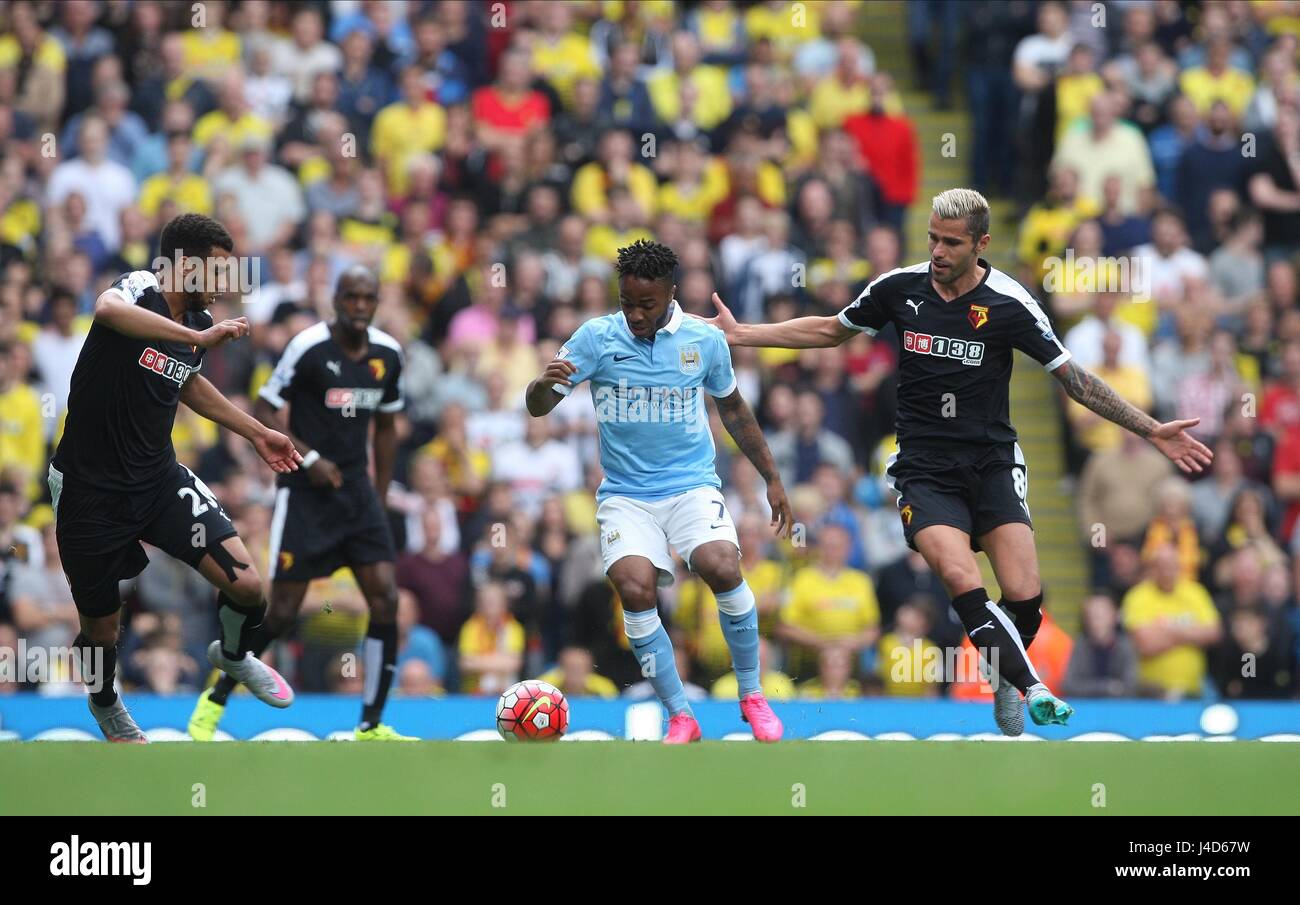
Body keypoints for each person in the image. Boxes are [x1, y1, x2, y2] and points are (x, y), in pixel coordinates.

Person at [698, 188, 1213, 735]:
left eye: (951, 242)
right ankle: (1030, 685)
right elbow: (831, 329)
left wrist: (1152, 427)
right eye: (933, 239)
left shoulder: (1010, 303)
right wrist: (742, 334)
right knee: (959, 577)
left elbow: (1075, 381)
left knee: (1026, 598)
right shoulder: (899, 288)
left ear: (981, 244)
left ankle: (1001, 674)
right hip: (923, 470)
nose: (938, 251)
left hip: (991, 463)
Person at [525, 239, 793, 744]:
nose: (636, 314)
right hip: (625, 494)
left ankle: (752, 695)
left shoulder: (703, 340)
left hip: (691, 485)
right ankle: (680, 715)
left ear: (671, 292)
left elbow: (732, 409)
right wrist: (543, 384)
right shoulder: (595, 338)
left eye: (647, 304)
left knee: (721, 565)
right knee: (633, 586)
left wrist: (771, 477)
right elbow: (538, 407)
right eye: (627, 303)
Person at [49, 213, 301, 742]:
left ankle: (232, 655)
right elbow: (105, 310)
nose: (223, 281)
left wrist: (256, 433)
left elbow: (186, 382)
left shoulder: (198, 322)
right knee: (101, 627)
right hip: (88, 490)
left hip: (157, 480)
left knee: (249, 587)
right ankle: (105, 702)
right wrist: (194, 333)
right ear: (184, 264)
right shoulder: (139, 291)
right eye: (216, 269)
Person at [190, 266, 412, 741]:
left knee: (386, 599)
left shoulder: (388, 355)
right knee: (284, 611)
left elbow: (389, 426)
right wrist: (308, 458)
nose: (358, 306)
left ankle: (371, 724)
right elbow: (268, 408)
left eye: (367, 298)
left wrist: (380, 493)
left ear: (376, 302)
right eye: (350, 296)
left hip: (358, 495)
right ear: (335, 299)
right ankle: (218, 694)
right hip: (306, 492)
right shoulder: (308, 347)